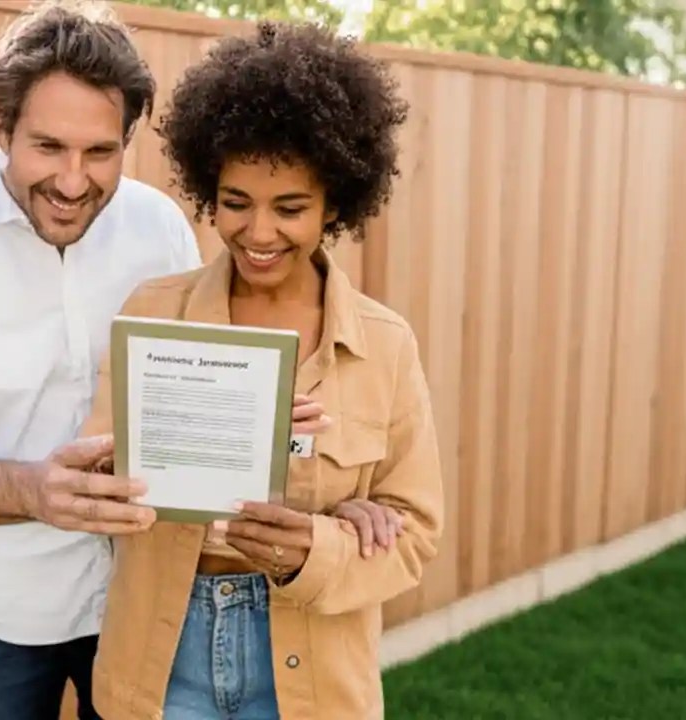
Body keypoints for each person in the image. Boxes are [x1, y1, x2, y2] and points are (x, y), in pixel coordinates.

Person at [0, 2, 404, 718]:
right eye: (48, 147)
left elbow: (197, 402)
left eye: (99, 152)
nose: (72, 180)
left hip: (147, 609)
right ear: (1, 126)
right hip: (3, 611)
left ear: (128, 138)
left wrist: (329, 496)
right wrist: (31, 491)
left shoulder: (156, 227)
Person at [77, 19, 445, 720]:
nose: (259, 233)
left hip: (313, 669)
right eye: (236, 204)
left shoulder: (385, 345)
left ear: (334, 203)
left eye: (291, 208)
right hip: (163, 658)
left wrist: (323, 543)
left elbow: (415, 531)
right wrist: (180, 440)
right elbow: (100, 480)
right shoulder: (154, 312)